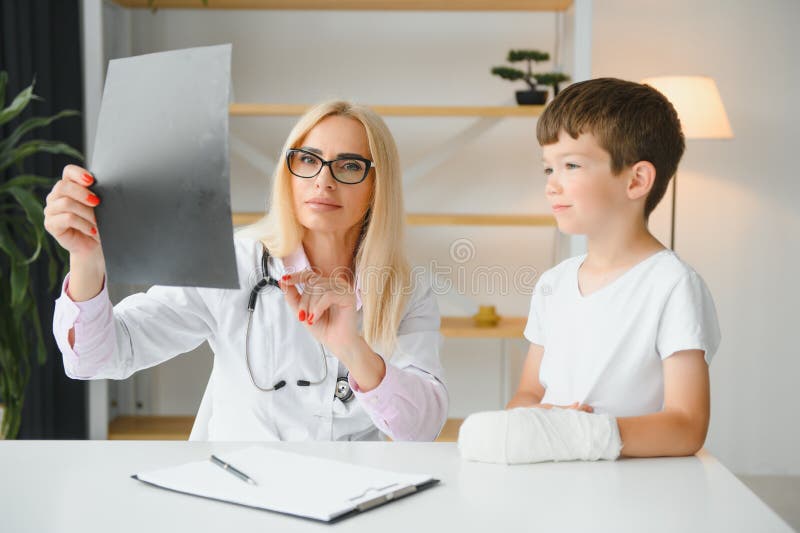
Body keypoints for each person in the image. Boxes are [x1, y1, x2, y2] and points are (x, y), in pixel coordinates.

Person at [46, 100, 448, 441]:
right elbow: (97, 358)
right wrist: (87, 259)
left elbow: (423, 428)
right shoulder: (233, 262)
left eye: (348, 166)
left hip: (353, 493)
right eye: (308, 160)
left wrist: (351, 348)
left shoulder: (407, 289)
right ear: (288, 174)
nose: (323, 180)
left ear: (378, 186)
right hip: (243, 491)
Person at [458, 78, 721, 464]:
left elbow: (687, 425)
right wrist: (539, 422)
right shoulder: (553, 283)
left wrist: (580, 434)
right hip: (553, 479)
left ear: (636, 180)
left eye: (571, 166)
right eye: (548, 169)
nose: (551, 185)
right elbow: (527, 394)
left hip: (630, 486)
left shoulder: (672, 285)